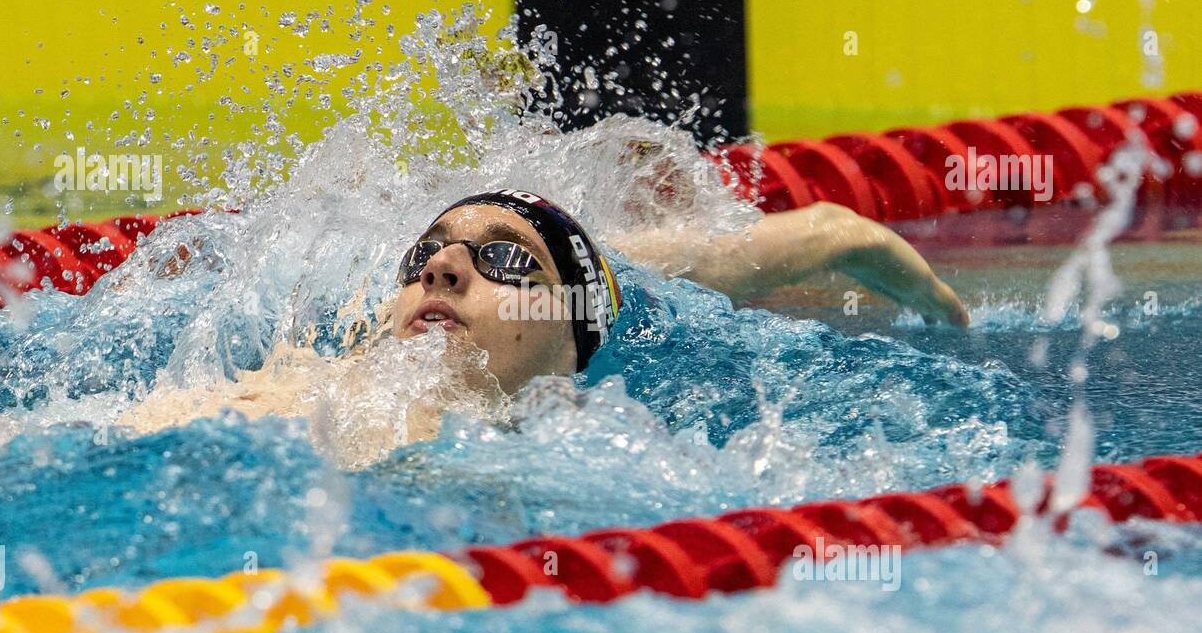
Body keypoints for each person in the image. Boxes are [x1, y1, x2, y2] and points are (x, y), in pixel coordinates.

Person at [117, 187, 968, 466]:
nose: (442, 270)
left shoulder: (626, 441)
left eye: (509, 261)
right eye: (427, 255)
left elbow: (814, 233)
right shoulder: (291, 396)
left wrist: (942, 312)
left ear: (574, 336)